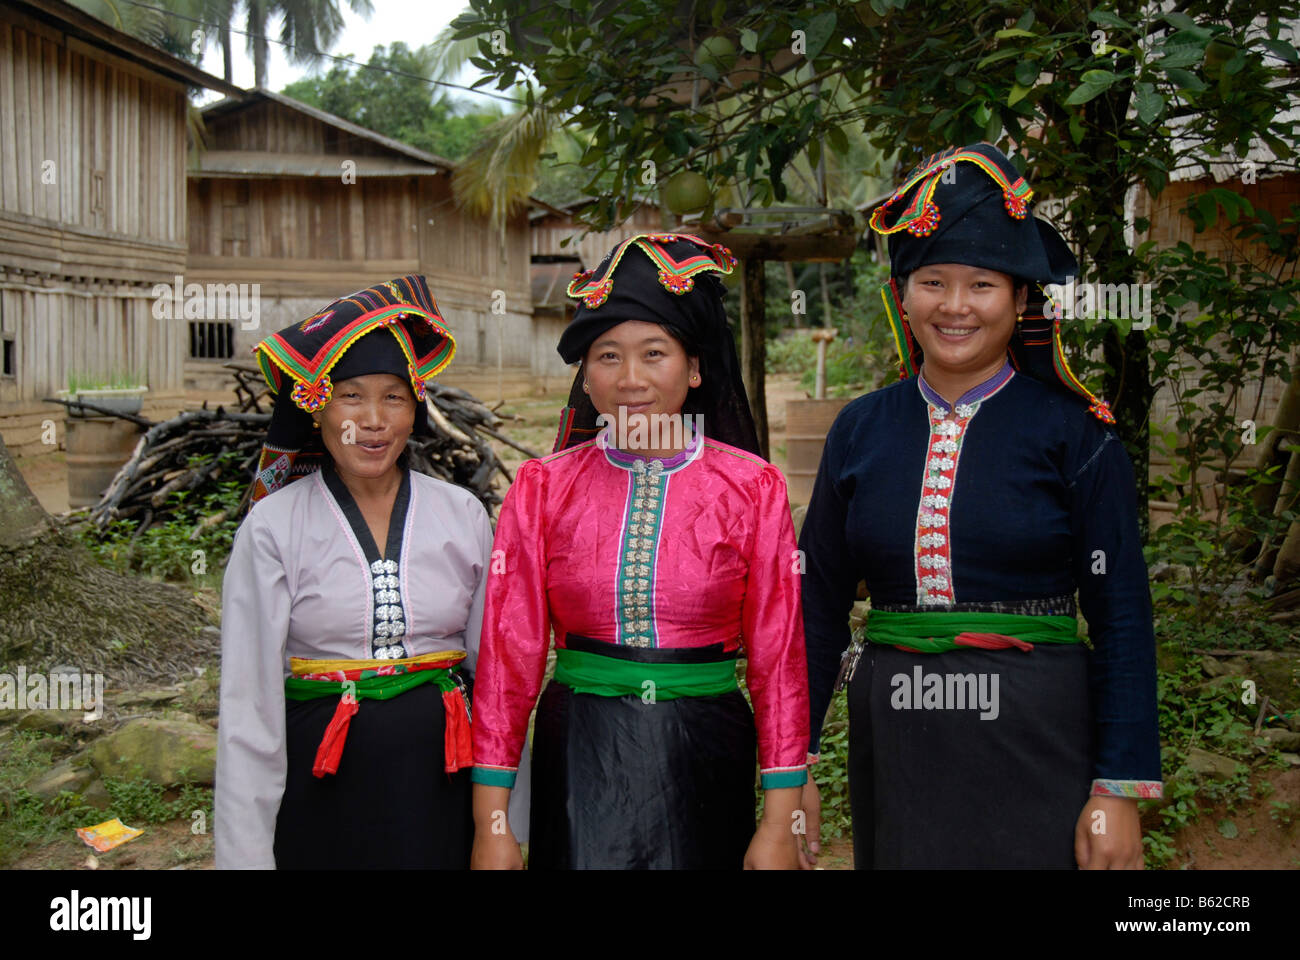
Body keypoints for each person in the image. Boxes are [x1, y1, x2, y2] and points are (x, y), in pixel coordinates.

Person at [800, 143, 1163, 869]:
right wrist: (795, 766)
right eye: (933, 281)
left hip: (1037, 726)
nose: (956, 306)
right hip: (899, 729)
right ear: (903, 294)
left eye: (983, 284)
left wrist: (1118, 787)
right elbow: (817, 601)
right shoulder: (860, 431)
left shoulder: (1073, 436)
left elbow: (1121, 611)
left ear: (1021, 299)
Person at [469, 233, 812, 869]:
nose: (629, 379)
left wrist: (779, 816)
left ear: (695, 367)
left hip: (706, 746)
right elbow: (505, 661)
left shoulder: (752, 487)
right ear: (586, 375)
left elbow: (779, 657)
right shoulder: (543, 488)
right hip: (582, 752)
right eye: (607, 356)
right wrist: (493, 824)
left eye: (654, 353)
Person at [214, 275, 526, 869]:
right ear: (317, 406)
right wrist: (245, 858)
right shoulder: (273, 527)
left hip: (444, 782)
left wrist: (502, 822)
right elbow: (247, 704)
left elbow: (495, 682)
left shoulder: (461, 514)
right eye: (351, 396)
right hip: (321, 784)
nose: (373, 419)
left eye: (394, 397)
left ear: (416, 409)